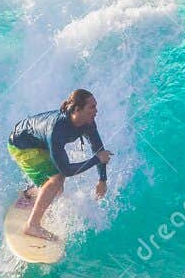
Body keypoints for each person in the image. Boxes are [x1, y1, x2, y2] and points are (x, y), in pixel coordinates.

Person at [7, 89, 112, 241]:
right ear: (77, 110)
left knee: (57, 188)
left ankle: (30, 194)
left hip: (39, 143)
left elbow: (98, 149)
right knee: (57, 179)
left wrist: (102, 180)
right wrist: (96, 160)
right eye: (92, 107)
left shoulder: (88, 122)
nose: (96, 111)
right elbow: (67, 170)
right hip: (21, 145)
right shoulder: (57, 129)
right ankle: (32, 226)